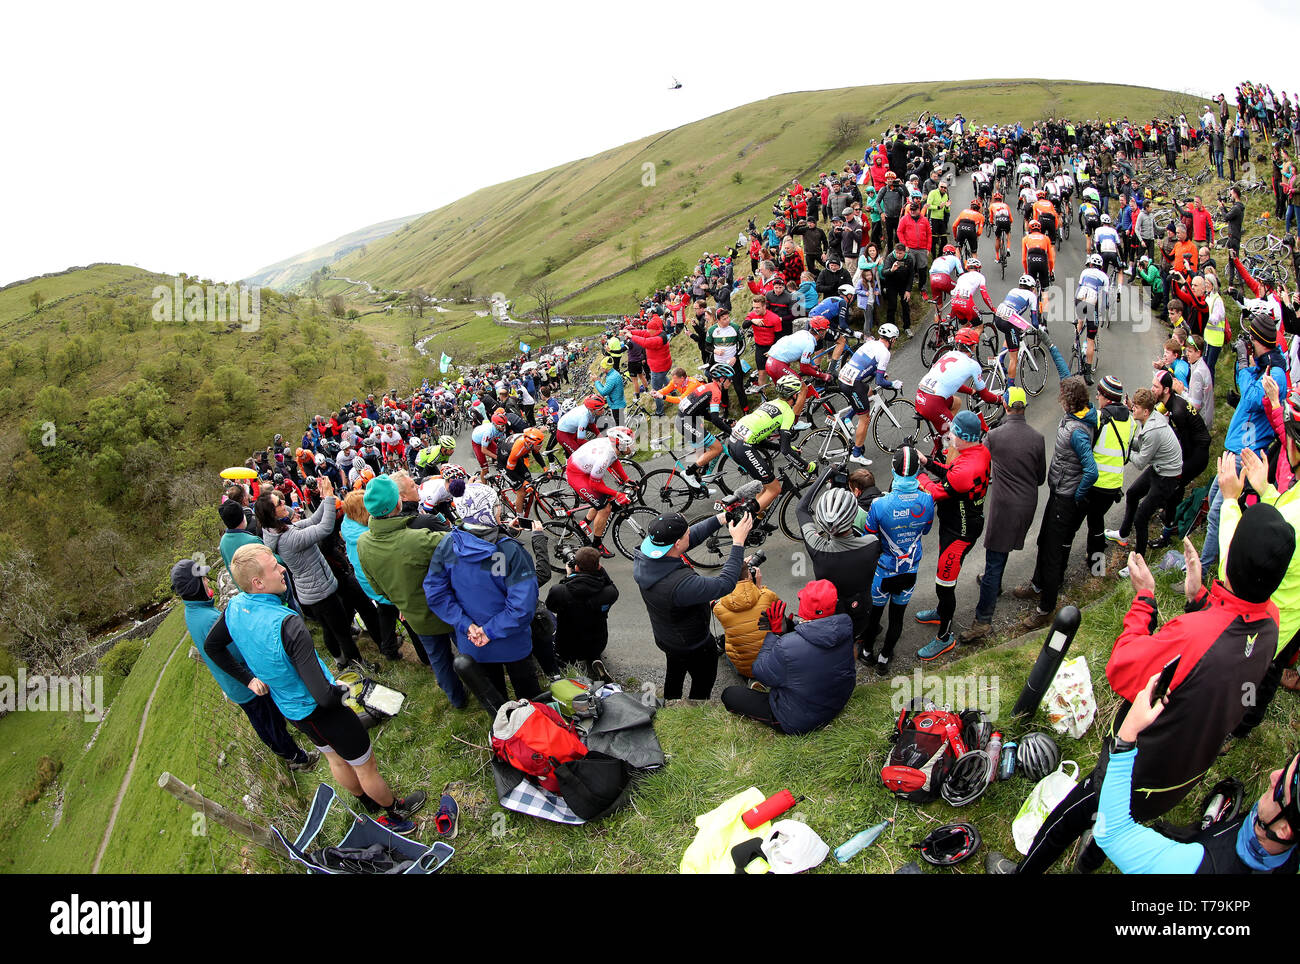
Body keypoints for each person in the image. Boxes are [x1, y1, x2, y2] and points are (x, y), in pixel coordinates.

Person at [992, 505, 1292, 875]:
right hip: (1187, 770)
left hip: (1140, 767)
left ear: (1233, 559)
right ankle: (1087, 865)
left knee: (1067, 819)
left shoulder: (1194, 637)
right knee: (1116, 822)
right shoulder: (1272, 624)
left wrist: (1145, 599)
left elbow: (1123, 671)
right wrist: (1200, 600)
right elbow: (1227, 653)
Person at [206, 544, 426, 834]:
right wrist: (343, 692)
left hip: (292, 710)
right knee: (364, 765)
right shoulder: (288, 624)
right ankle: (395, 813)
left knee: (334, 757)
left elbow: (212, 646)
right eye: (274, 567)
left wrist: (247, 679)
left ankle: (369, 806)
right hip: (322, 710)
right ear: (258, 582)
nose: (283, 569)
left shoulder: (235, 608)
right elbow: (323, 695)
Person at [1088, 672, 1298, 874]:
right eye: (1287, 766)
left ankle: (1085, 865)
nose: (1273, 775)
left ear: (1284, 831)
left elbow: (1113, 833)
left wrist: (1127, 735)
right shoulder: (1281, 840)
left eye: (1280, 789)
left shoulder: (1191, 866)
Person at [171, 557, 318, 771]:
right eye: (202, 579)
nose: (207, 582)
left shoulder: (193, 611)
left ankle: (286, 749)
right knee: (268, 721)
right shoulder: (208, 620)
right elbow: (237, 652)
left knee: (266, 719)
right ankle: (297, 758)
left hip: (235, 683)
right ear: (195, 585)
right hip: (245, 683)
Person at [424, 483, 545, 710]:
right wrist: (489, 631)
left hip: (472, 641)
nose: (499, 509)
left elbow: (435, 591)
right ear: (486, 511)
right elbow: (522, 605)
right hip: (512, 641)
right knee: (530, 697)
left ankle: (503, 732)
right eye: (496, 505)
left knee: (494, 697)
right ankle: (534, 732)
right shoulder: (509, 551)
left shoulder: (448, 544)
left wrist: (466, 625)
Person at [1199, 311, 1289, 576]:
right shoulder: (1265, 365)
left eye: (1251, 338)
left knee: (1219, 512)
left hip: (1245, 453)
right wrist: (1249, 364)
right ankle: (1210, 560)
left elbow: (1250, 396)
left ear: (1257, 340)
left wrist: (1242, 362)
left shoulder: (1277, 373)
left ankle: (1206, 572)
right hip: (1235, 450)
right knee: (1214, 501)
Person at [1015, 358, 1099, 631]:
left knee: (1052, 552)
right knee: (1043, 540)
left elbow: (1091, 471)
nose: (1059, 397)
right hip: (1059, 492)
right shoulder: (1080, 410)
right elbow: (1067, 376)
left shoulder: (1078, 432)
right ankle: (1037, 585)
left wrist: (1075, 496)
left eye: (1063, 395)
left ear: (1069, 401)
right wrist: (1049, 344)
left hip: (1066, 497)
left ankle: (1046, 608)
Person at [634, 509, 753, 700]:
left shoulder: (645, 556)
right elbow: (725, 584)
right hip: (693, 644)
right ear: (677, 543)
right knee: (703, 680)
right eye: (686, 533)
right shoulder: (679, 585)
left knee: (674, 670)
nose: (691, 533)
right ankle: (696, 708)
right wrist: (738, 543)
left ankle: (671, 703)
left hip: (666, 637)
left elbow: (690, 537)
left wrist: (720, 518)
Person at [256, 481, 373, 673]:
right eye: (279, 504)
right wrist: (328, 497)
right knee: (341, 630)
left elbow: (312, 521)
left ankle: (340, 661)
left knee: (329, 628)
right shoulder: (287, 539)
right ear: (272, 514)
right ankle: (358, 664)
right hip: (320, 591)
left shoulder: (279, 530)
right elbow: (324, 529)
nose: (284, 506)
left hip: (311, 590)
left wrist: (324, 498)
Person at [962, 388, 1046, 643]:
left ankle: (983, 621)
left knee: (994, 560)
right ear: (1024, 408)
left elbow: (979, 462)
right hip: (1027, 505)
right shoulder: (1038, 437)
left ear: (1007, 407)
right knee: (1001, 552)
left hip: (1005, 508)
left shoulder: (995, 436)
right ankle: (993, 582)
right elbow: (1040, 478)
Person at [719, 580, 855, 735]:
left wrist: (774, 634)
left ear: (803, 605)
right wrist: (792, 626)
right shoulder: (845, 624)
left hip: (799, 720)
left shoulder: (788, 646)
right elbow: (818, 633)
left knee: (730, 694)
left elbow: (760, 672)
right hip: (838, 699)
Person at [912, 410, 992, 659]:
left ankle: (945, 637)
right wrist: (927, 461)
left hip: (960, 532)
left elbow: (936, 491)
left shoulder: (966, 469)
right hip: (956, 523)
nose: (950, 435)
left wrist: (920, 474)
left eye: (954, 432)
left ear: (965, 436)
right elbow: (949, 473)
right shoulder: (977, 452)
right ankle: (940, 611)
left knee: (944, 585)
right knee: (943, 580)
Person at [862, 446, 936, 673]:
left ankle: (867, 652)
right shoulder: (927, 500)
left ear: (893, 469)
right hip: (909, 570)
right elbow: (925, 531)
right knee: (897, 616)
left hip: (884, 571)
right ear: (917, 471)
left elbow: (869, 537)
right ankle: (885, 658)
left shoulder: (879, 504)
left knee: (875, 614)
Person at [1106, 389, 1184, 565]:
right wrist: (1127, 443)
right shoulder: (1151, 419)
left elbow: (1140, 462)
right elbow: (1140, 444)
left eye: (1136, 407)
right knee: (1133, 494)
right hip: (1159, 468)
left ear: (1146, 411)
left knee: (1141, 517)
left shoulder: (1153, 431)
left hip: (1167, 476)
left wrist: (1124, 451)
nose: (1133, 409)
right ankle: (1123, 534)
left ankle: (1139, 562)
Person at [545, 546, 619, 680]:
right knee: (592, 644)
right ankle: (594, 659)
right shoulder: (609, 592)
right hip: (598, 642)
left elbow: (551, 606)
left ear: (577, 567)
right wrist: (600, 569)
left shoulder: (560, 591)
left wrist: (569, 577)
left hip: (567, 645)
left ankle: (571, 671)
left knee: (548, 619)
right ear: (598, 567)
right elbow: (610, 583)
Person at [837, 323, 901, 464]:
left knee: (869, 392)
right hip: (853, 384)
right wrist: (893, 384)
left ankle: (847, 418)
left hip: (844, 377)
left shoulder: (871, 343)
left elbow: (864, 365)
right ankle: (856, 453)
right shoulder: (885, 353)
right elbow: (880, 382)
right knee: (865, 420)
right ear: (892, 339)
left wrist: (879, 374)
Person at [713, 557, 779, 679]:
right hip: (774, 664)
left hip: (745, 669)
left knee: (732, 635)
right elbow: (779, 612)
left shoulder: (719, 607)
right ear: (749, 575)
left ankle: (749, 679)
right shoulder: (768, 596)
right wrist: (759, 588)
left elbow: (713, 599)